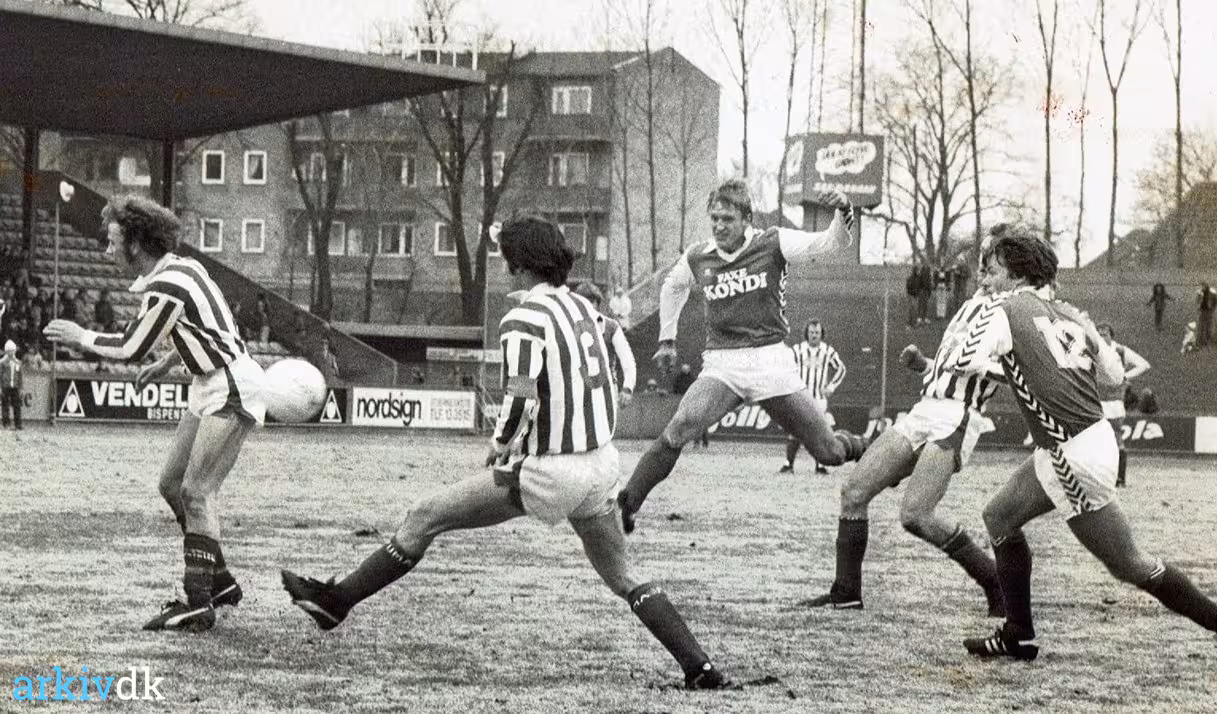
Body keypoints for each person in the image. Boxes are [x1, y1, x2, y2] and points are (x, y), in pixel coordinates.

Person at [280, 217, 729, 690]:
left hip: (552, 472)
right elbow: (611, 336)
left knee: (423, 517)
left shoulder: (523, 319)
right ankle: (699, 666)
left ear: (516, 264)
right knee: (624, 578)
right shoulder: (583, 308)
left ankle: (336, 603)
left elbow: (519, 395)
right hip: (602, 466)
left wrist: (500, 443)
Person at [943, 226, 1217, 669]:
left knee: (1128, 564)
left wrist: (971, 337)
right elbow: (1113, 376)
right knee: (999, 516)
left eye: (991, 269)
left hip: (1070, 452)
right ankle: (1018, 633)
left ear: (1015, 273)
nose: (985, 279)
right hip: (1081, 440)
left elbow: (964, 360)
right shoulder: (1070, 316)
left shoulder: (1002, 309)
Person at [43, 194, 267, 632]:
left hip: (231, 384)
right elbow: (211, 325)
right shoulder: (182, 268)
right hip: (210, 381)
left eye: (113, 242)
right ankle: (218, 582)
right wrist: (169, 362)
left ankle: (197, 602)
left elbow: (129, 346)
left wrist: (80, 335)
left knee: (197, 493)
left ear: (137, 243)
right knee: (171, 485)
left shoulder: (166, 284)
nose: (108, 252)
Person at [616, 180, 866, 534]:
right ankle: (626, 504)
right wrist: (667, 338)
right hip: (723, 364)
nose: (719, 226)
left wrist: (843, 211)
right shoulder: (699, 256)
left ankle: (866, 447)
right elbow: (672, 286)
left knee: (829, 453)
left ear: (747, 218)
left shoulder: (772, 242)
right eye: (714, 218)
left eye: (727, 219)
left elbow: (828, 245)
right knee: (678, 429)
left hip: (769, 362)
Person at [799, 285, 1005, 614]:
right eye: (984, 264)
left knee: (916, 516)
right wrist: (924, 364)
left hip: (958, 415)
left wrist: (982, 367)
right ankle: (846, 591)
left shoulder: (1013, 312)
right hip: (925, 408)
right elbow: (949, 366)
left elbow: (1018, 372)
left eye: (993, 265)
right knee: (854, 491)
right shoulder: (971, 305)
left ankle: (994, 580)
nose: (983, 272)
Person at [780, 320, 847, 475]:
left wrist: (831, 387)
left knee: (819, 432)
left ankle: (820, 466)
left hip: (819, 399)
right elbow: (785, 366)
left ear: (821, 334)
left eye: (817, 333)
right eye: (811, 333)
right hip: (800, 397)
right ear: (807, 334)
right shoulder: (797, 350)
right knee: (795, 430)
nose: (814, 336)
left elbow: (841, 369)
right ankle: (788, 464)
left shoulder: (828, 351)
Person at [1095, 323, 1150, 488]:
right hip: (1096, 402)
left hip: (1114, 403)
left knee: (1116, 438)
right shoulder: (1093, 350)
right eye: (1099, 334)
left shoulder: (1119, 350)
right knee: (1098, 441)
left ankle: (1120, 478)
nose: (1102, 337)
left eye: (1105, 334)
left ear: (1111, 335)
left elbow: (1144, 364)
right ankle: (1104, 477)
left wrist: (1125, 376)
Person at [574, 281, 636, 408]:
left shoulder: (611, 326)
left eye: (591, 301)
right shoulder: (569, 326)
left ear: (597, 303)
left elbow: (627, 359)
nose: (587, 306)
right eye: (583, 301)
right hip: (577, 389)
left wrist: (627, 388)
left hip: (605, 388)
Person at [1, 339, 22, 430]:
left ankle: (18, 424)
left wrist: (21, 388)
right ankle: (6, 424)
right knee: (5, 405)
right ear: (6, 351)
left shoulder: (18, 362)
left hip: (15, 386)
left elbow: (20, 376)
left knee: (17, 405)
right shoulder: (2, 362)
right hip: (5, 386)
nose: (12, 353)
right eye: (10, 351)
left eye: (13, 350)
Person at [1195, 283, 1217, 348]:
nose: (1202, 287)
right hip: (1202, 311)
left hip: (1209, 312)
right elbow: (1197, 301)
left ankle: (1208, 342)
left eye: (1203, 286)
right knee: (1200, 327)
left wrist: (1213, 309)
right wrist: (1198, 298)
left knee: (1208, 327)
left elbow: (1216, 302)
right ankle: (1200, 342)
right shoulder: (1200, 293)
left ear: (1206, 286)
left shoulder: (1212, 293)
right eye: (1201, 286)